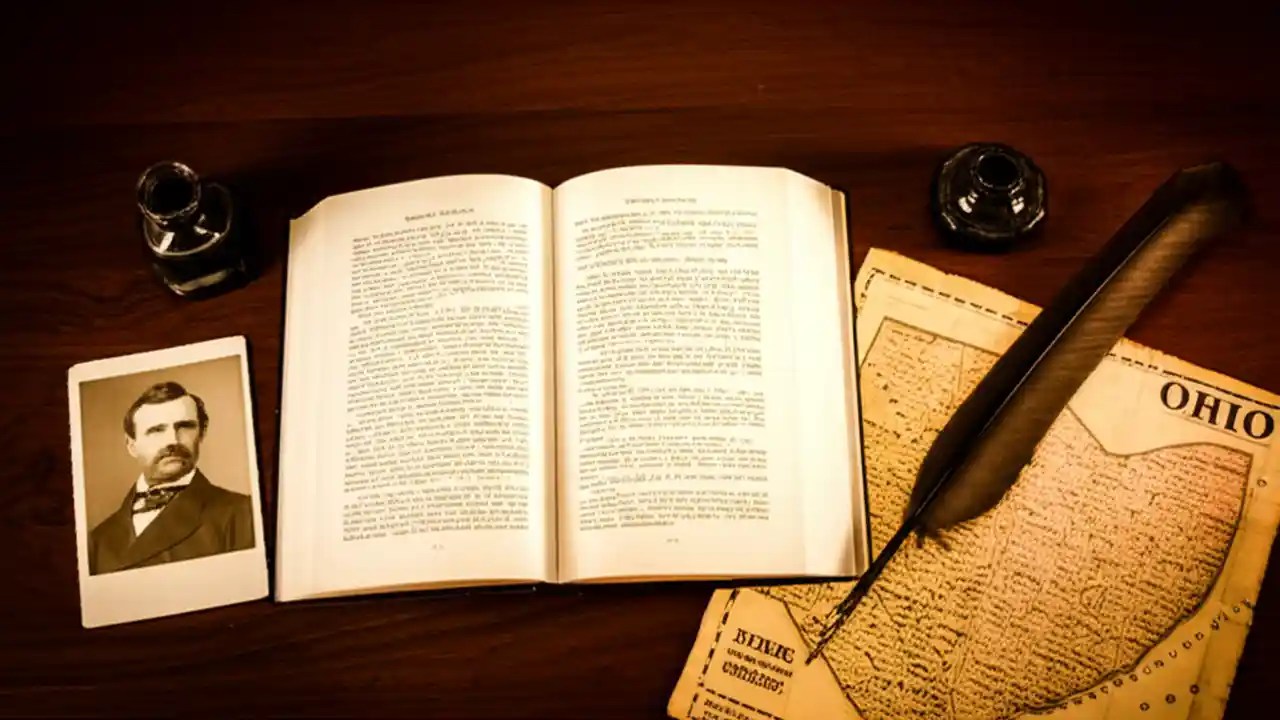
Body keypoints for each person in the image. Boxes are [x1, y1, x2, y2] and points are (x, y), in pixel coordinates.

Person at [88, 381, 254, 575]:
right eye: (156, 430)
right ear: (131, 445)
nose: (173, 441)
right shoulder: (98, 539)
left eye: (185, 427)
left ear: (202, 433)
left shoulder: (242, 514)